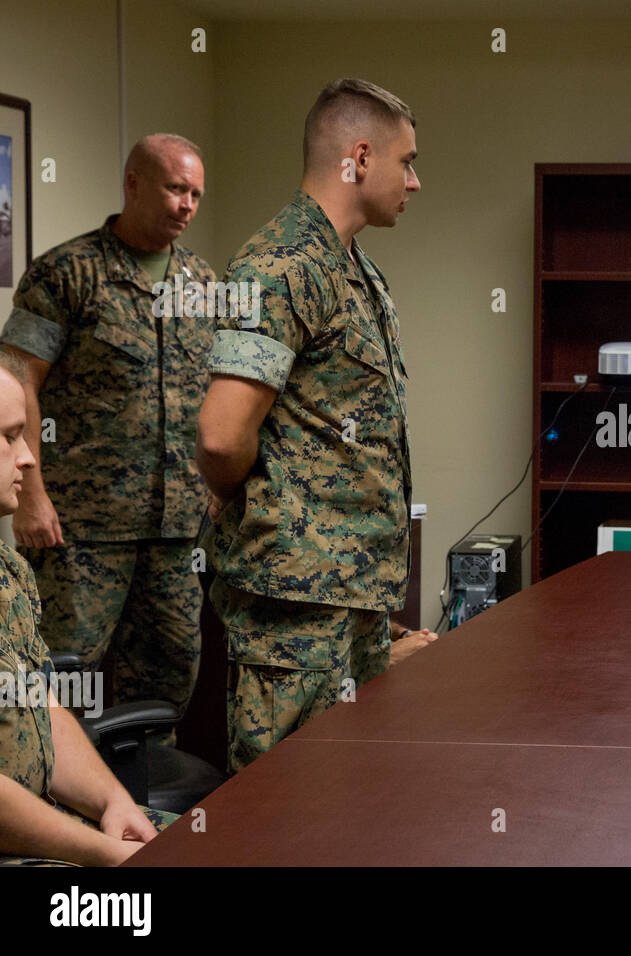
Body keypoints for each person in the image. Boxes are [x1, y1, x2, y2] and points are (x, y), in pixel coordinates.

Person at [197, 78, 433, 773]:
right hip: (293, 603)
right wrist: (266, 508)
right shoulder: (281, 266)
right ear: (358, 158)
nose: (414, 182)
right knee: (284, 802)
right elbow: (220, 435)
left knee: (346, 801)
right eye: (407, 161)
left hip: (348, 594)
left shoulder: (355, 271)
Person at [0, 134, 215, 721]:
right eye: (175, 188)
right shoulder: (67, 273)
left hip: (175, 529)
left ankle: (143, 800)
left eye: (195, 193)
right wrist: (31, 498)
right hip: (80, 530)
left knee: (171, 668)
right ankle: (57, 804)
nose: (187, 205)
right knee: (65, 672)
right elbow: (17, 384)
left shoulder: (203, 284)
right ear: (133, 184)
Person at [0, 350, 171, 866]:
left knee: (225, 847)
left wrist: (113, 802)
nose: (29, 457)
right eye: (9, 437)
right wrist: (102, 854)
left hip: (43, 821)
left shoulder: (8, 571)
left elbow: (40, 709)